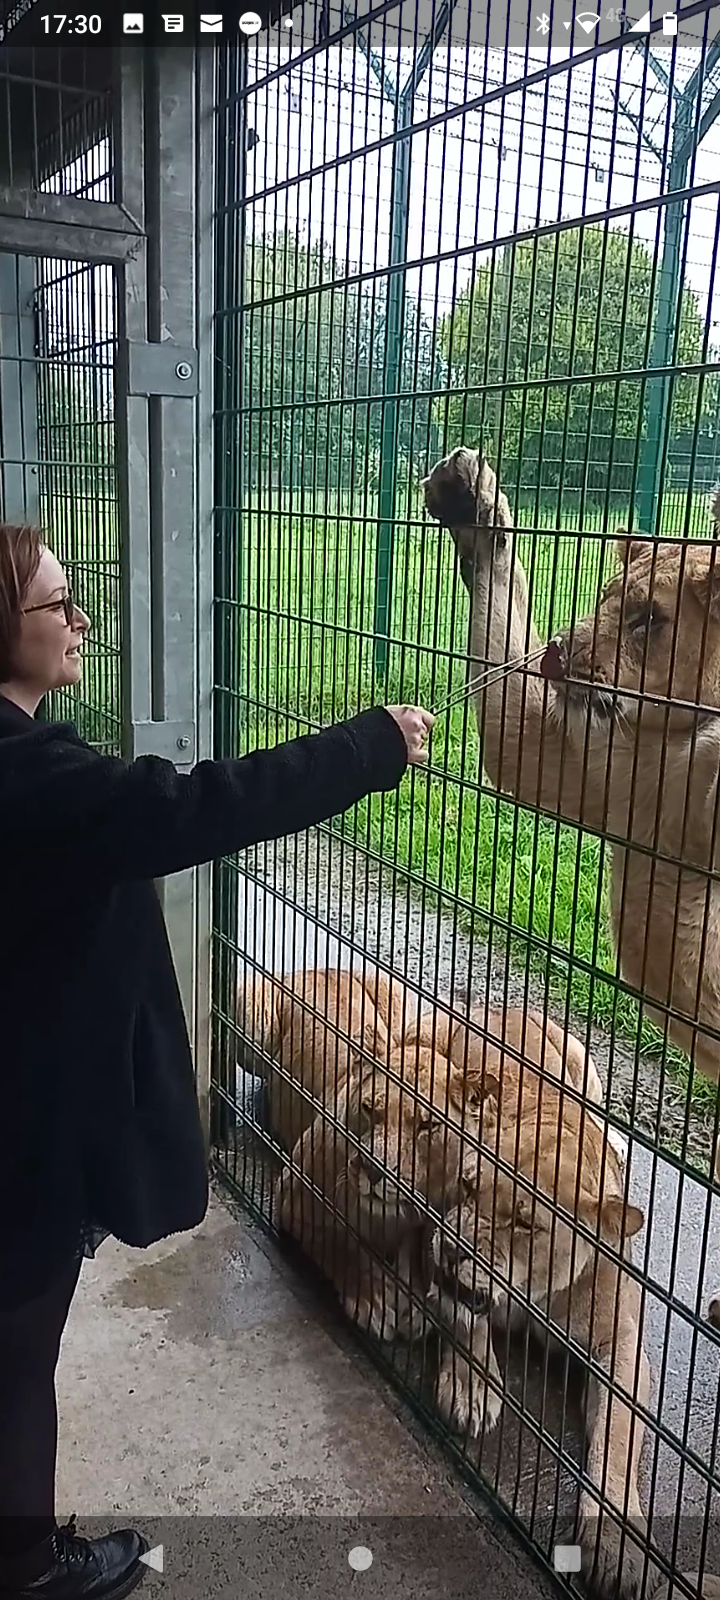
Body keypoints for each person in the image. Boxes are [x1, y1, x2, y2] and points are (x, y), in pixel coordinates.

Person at [0, 521, 434, 1600]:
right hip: (21, 1127)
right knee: (14, 1348)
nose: (81, 619)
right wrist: (368, 744)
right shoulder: (33, 778)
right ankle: (23, 1567)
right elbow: (198, 806)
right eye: (59, 603)